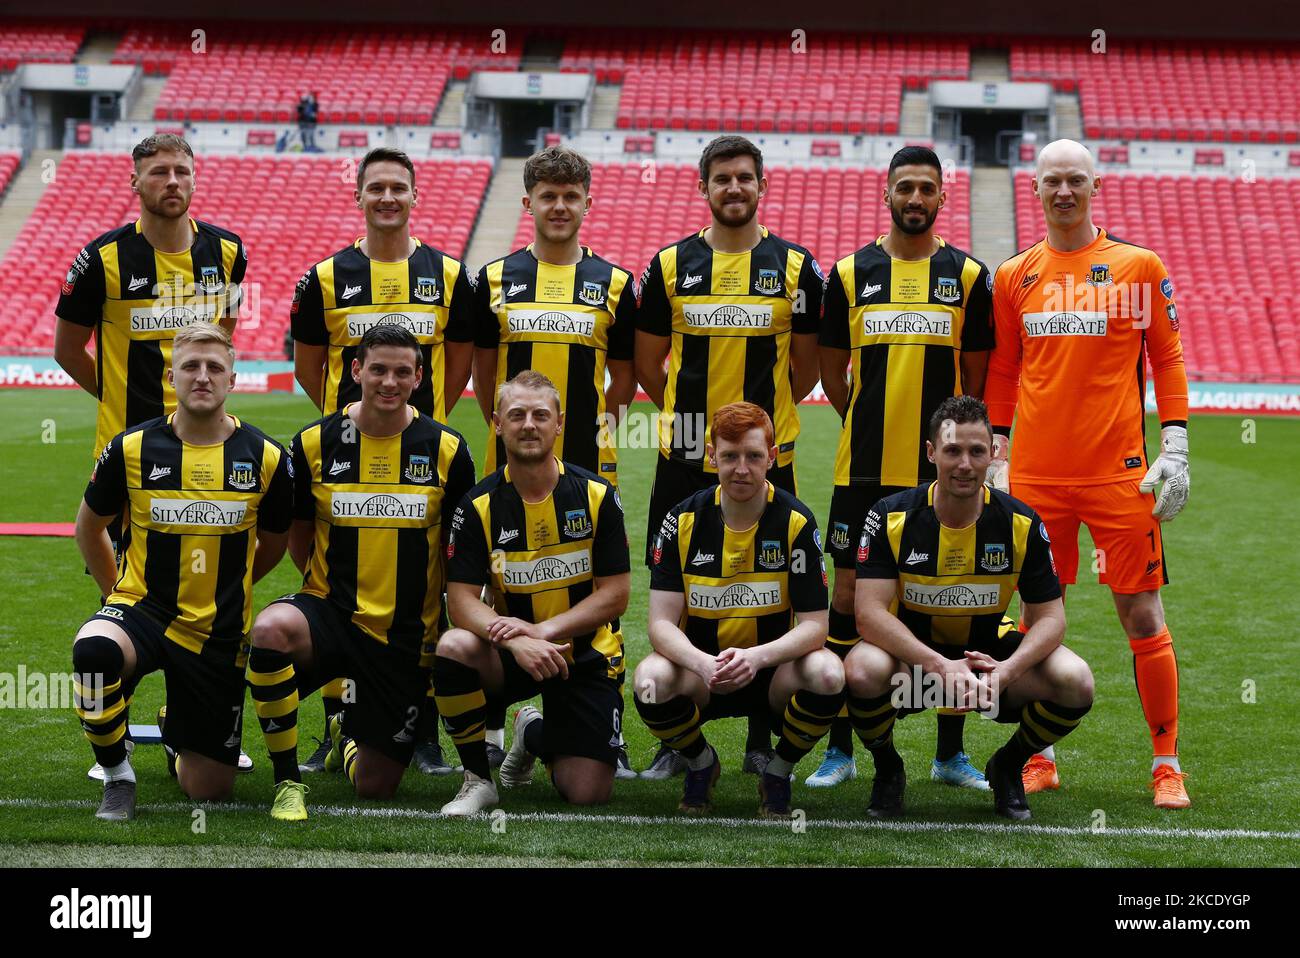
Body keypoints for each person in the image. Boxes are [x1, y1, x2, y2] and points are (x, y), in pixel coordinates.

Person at [986, 139, 1192, 809]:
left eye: (1076, 180)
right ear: (1036, 189)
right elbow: (1005, 370)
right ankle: (1038, 755)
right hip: (1038, 479)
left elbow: (1167, 356)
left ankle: (1167, 764)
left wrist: (1177, 444)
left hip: (1119, 476)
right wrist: (995, 450)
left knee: (1141, 612)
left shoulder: (1137, 267)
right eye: (1053, 182)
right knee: (1041, 615)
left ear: (1096, 185)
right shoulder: (1014, 274)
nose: (1064, 191)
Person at [54, 132, 252, 780]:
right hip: (128, 458)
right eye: (159, 172)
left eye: (182, 171)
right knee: (128, 588)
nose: (173, 181)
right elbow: (67, 347)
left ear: (195, 179)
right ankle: (114, 728)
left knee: (208, 586)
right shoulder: (103, 260)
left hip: (209, 450)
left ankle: (191, 722)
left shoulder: (225, 252)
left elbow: (219, 339)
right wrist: (116, 398)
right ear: (135, 183)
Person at [635, 135, 823, 779]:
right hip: (685, 453)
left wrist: (754, 443)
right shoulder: (667, 265)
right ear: (704, 188)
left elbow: (805, 367)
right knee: (684, 586)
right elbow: (647, 360)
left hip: (767, 458)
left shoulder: (797, 268)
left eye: (745, 178)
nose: (734, 188)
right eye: (722, 179)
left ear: (762, 186)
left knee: (771, 586)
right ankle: (678, 738)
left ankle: (761, 735)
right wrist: (699, 430)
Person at [811, 145, 995, 791]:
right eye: (905, 188)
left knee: (949, 599)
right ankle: (840, 750)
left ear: (943, 197)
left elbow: (975, 380)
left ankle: (950, 754)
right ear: (886, 194)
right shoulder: (849, 273)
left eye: (926, 188)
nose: (915, 198)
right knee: (844, 600)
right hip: (859, 473)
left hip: (940, 475)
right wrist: (866, 420)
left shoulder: (969, 277)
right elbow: (834, 372)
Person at [291, 146, 476, 776]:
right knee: (335, 581)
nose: (388, 197)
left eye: (399, 187)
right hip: (344, 454)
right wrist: (338, 423)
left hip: (422, 458)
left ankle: (417, 726)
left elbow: (460, 360)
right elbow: (308, 367)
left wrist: (429, 423)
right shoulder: (324, 278)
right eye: (377, 188)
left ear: (415, 196)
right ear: (360, 197)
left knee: (423, 589)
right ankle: (335, 723)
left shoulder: (450, 276)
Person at [246, 324, 475, 821]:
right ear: (356, 371)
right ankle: (288, 781)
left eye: (401, 372)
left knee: (376, 787)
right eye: (378, 370)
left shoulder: (448, 449)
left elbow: (461, 549)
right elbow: (300, 534)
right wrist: (324, 586)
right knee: (268, 630)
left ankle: (343, 735)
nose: (388, 382)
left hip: (405, 635)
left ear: (418, 377)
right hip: (329, 611)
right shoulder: (313, 443)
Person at [71, 324, 291, 821]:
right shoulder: (131, 449)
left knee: (209, 791)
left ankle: (178, 732)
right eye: (191, 366)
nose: (202, 376)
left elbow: (275, 541)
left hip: (217, 629)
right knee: (94, 649)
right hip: (142, 610)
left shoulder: (267, 457)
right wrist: (117, 597)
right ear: (171, 376)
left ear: (233, 379)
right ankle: (117, 775)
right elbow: (89, 529)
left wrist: (234, 584)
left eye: (215, 367)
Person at [471, 145, 639, 779]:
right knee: (496, 585)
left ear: (587, 203)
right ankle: (485, 735)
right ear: (529, 204)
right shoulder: (490, 280)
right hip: (509, 467)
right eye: (549, 196)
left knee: (600, 593)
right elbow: (486, 378)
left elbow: (623, 377)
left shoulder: (615, 284)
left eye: (572, 196)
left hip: (589, 467)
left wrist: (595, 432)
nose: (560, 206)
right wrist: (517, 434)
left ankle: (600, 731)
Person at [848, 396, 1094, 820]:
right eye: (953, 450)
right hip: (915, 663)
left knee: (1076, 680)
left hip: (987, 663)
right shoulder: (889, 516)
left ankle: (1008, 765)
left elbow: (1052, 619)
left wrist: (1006, 672)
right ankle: (888, 768)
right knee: (861, 670)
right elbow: (868, 613)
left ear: (993, 454)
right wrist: (940, 666)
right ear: (931, 453)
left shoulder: (1022, 523)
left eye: (977, 451)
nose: (964, 464)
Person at [435, 370, 631, 816]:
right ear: (497, 422)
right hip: (512, 653)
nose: (529, 424)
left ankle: (532, 733)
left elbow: (616, 595)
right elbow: (461, 600)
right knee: (454, 646)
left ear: (559, 423)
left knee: (588, 792)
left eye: (541, 415)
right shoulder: (477, 506)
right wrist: (516, 640)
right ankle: (477, 780)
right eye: (517, 414)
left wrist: (542, 630)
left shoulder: (597, 495)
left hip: (582, 654)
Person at [635, 401, 840, 816]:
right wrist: (702, 663)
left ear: (773, 457)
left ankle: (778, 772)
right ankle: (701, 764)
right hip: (703, 672)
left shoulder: (796, 522)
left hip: (772, 672)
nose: (741, 469)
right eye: (729, 456)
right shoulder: (682, 522)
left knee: (829, 672)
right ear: (712, 457)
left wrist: (755, 657)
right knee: (649, 680)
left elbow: (816, 627)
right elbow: (659, 623)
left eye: (753, 456)